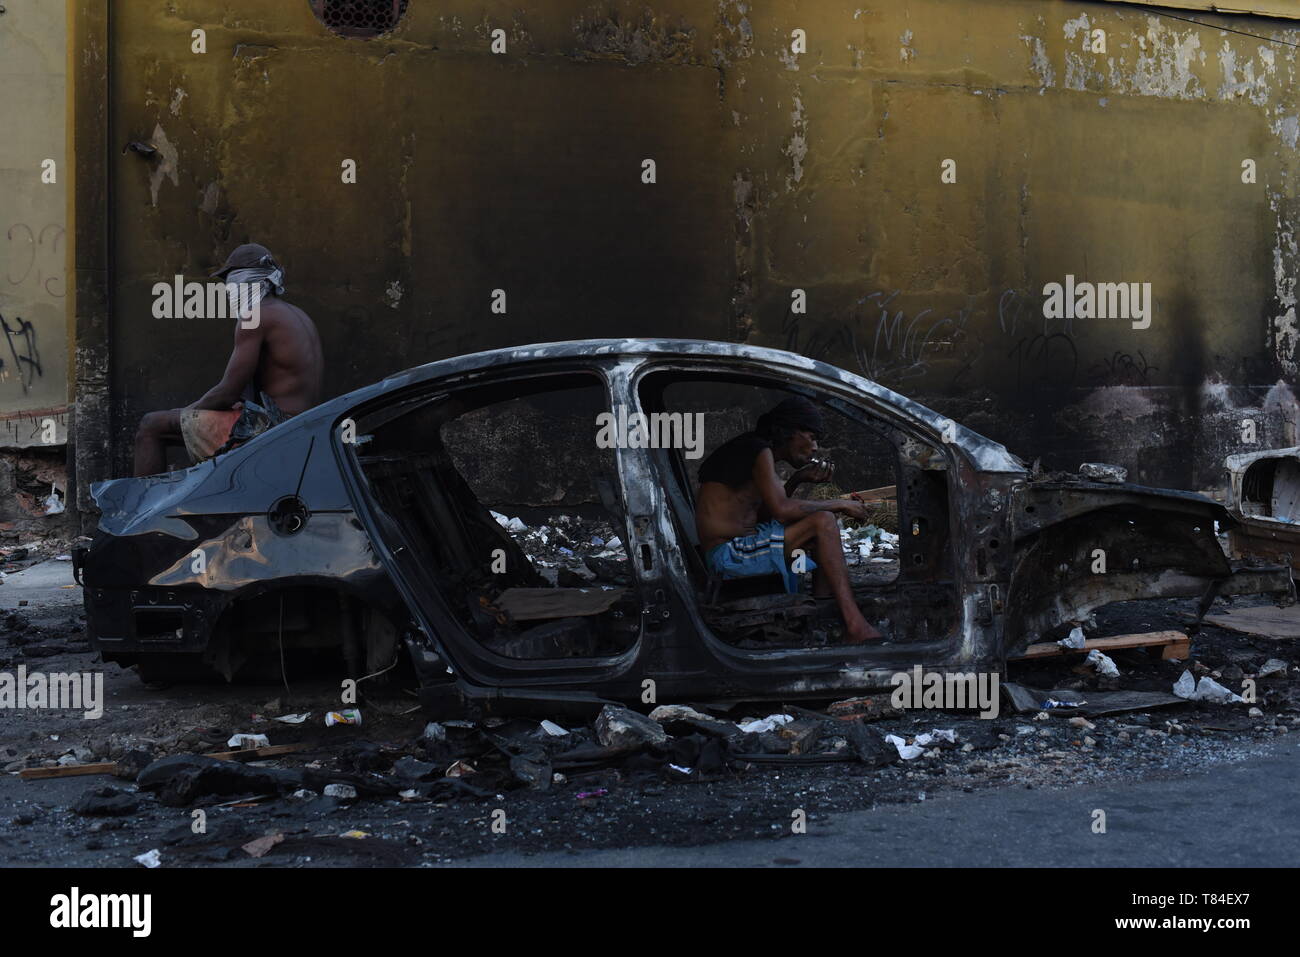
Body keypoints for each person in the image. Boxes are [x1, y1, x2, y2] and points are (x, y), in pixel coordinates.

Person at [695, 396, 883, 643]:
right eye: (812, 437)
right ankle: (855, 625)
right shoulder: (757, 450)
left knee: (817, 536)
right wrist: (841, 504)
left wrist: (796, 480)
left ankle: (821, 616)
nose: (815, 447)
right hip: (728, 556)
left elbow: (764, 515)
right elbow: (783, 510)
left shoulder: (756, 450)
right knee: (823, 521)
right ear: (791, 432)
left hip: (738, 547)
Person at [133, 243, 324, 476]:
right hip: (302, 425)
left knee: (151, 426)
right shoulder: (298, 315)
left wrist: (185, 412)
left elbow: (226, 393)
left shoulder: (255, 317)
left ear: (247, 284)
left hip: (271, 429)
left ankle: (139, 510)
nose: (228, 294)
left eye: (231, 286)